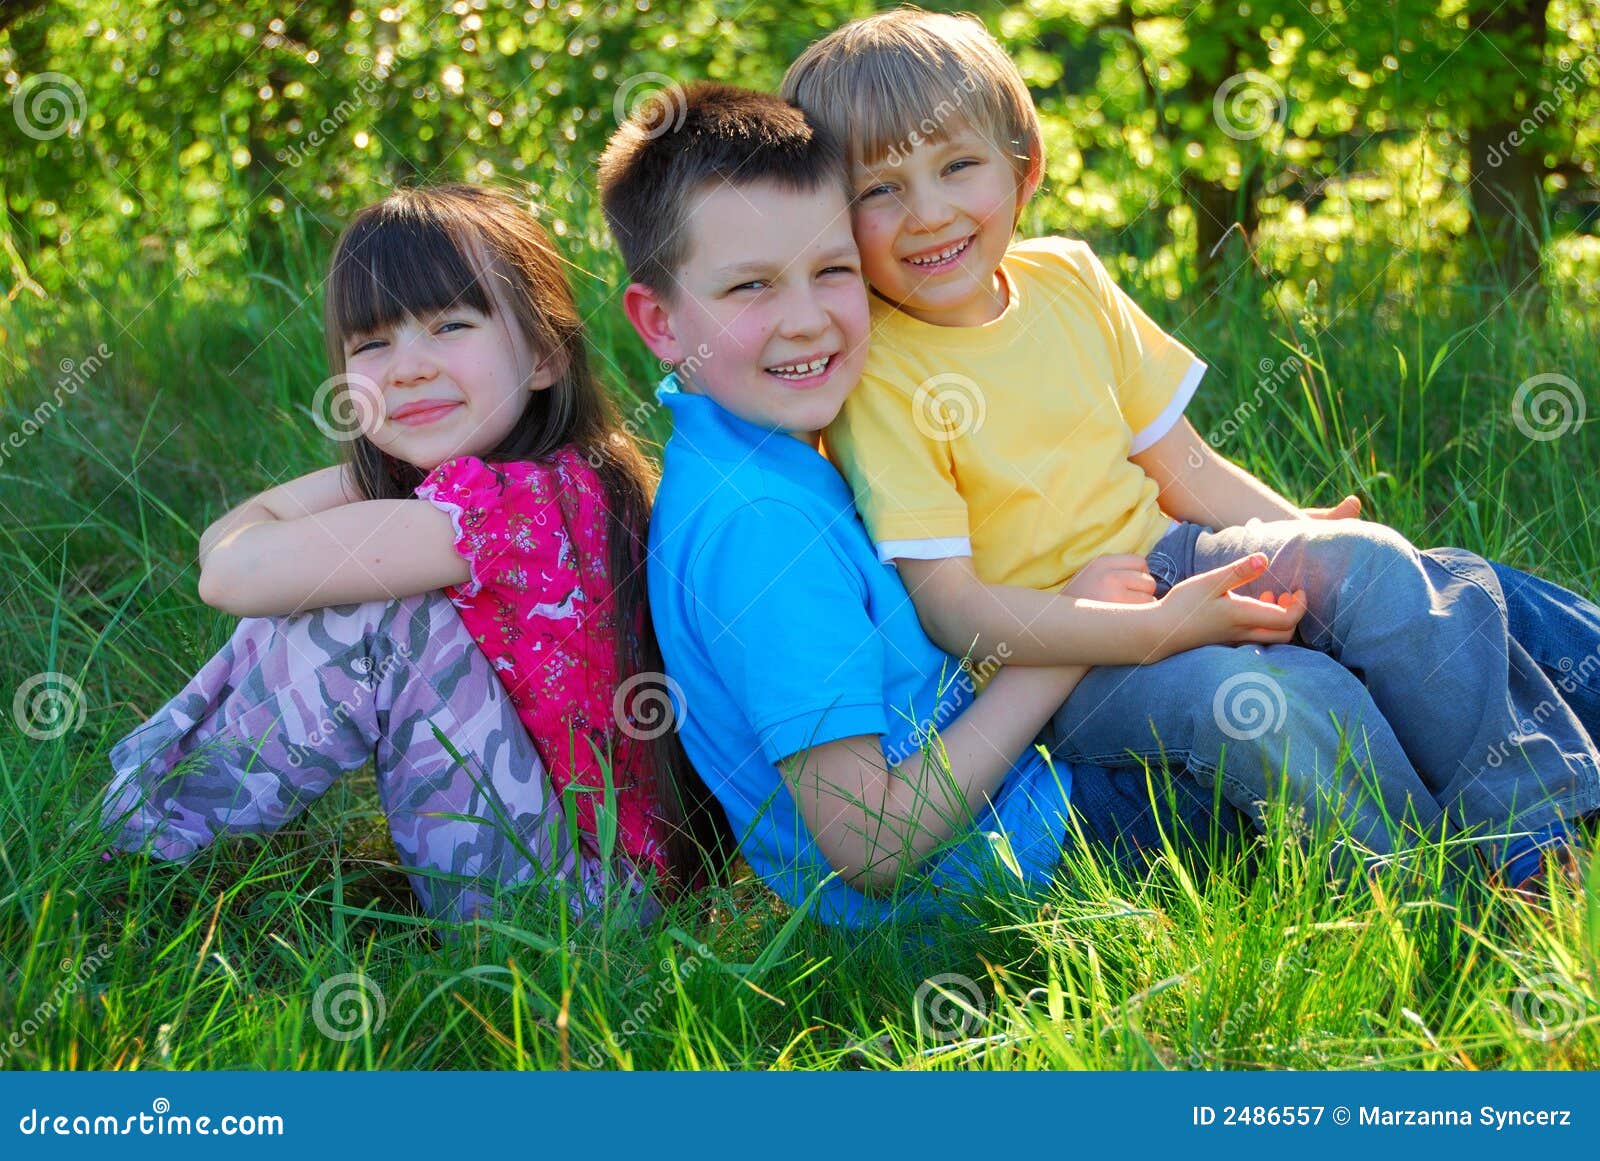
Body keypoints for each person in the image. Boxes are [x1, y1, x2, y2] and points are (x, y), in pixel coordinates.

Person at [597, 82, 1482, 927]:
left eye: (833, 270)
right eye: (750, 286)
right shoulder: (758, 522)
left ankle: (1508, 840)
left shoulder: (758, 456)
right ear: (661, 320)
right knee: (1288, 696)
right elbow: (870, 843)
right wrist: (1069, 629)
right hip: (1007, 872)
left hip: (1024, 800)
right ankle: (1443, 912)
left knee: (1382, 607)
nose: (808, 319)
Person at [782, 9, 1598, 896]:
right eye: (881, 189)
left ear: (1021, 166)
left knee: (1373, 567)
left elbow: (1187, 468)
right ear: (832, 215)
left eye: (957, 166)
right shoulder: (877, 371)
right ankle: (1433, 899)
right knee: (1262, 705)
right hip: (1062, 658)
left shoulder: (1068, 279)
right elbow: (955, 609)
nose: (927, 214)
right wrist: (1153, 628)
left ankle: (1537, 838)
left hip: (1173, 559)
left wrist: (1296, 539)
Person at [102, 185, 719, 922]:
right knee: (346, 586)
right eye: (372, 343)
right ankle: (150, 833)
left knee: (373, 612)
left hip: (575, 912)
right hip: (601, 879)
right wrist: (376, 470)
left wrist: (363, 480)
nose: (407, 368)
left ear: (546, 355)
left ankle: (135, 851)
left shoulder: (509, 505)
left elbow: (232, 571)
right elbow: (228, 556)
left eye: (450, 324)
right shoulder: (573, 476)